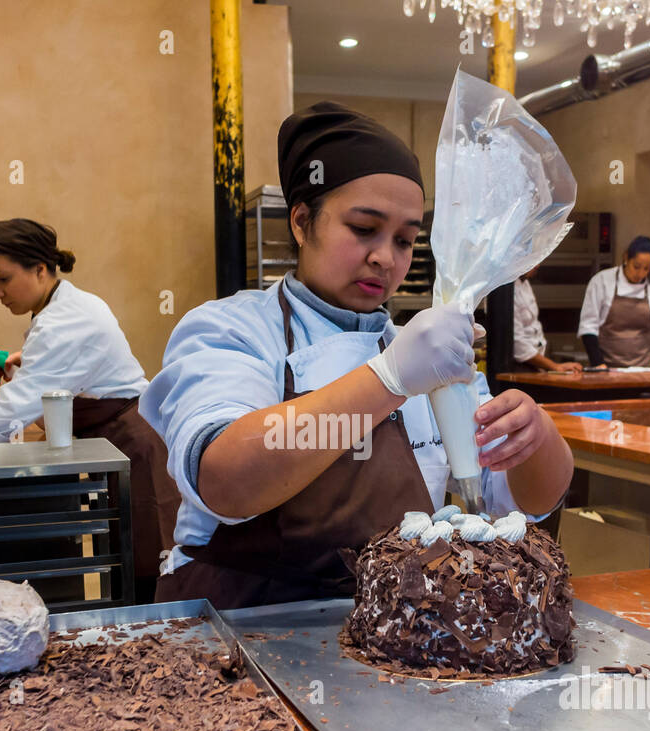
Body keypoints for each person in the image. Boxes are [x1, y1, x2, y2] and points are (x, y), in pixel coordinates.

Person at [139, 102, 574, 610]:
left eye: (406, 239)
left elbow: (523, 504)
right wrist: (388, 379)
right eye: (364, 228)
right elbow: (225, 479)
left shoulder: (423, 353)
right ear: (302, 222)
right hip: (238, 631)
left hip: (396, 635)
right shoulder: (232, 330)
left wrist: (534, 436)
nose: (385, 258)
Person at [0, 219, 180, 603]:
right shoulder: (65, 306)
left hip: (135, 446)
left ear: (39, 269)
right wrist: (28, 364)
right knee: (127, 561)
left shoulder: (63, 320)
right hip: (118, 442)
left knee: (147, 570)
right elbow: (60, 377)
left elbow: (1, 420)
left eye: (2, 279)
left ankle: (154, 652)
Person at [578, 235, 650, 369]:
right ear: (626, 258)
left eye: (646, 268)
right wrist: (597, 363)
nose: (640, 273)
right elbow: (588, 325)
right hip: (606, 368)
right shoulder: (602, 281)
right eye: (636, 266)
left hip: (644, 369)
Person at [514, 266, 581, 373]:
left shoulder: (525, 283)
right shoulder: (506, 288)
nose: (537, 265)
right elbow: (517, 345)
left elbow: (534, 326)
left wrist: (550, 366)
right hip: (518, 367)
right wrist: (555, 366)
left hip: (536, 362)